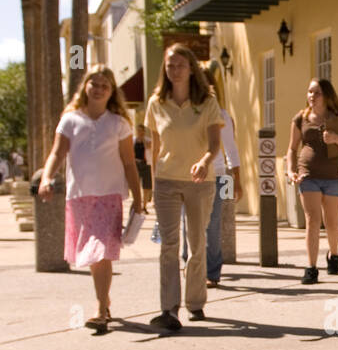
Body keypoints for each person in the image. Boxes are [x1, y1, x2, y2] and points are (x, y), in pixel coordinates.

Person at [38, 64, 144, 332]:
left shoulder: (119, 123)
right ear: (84, 87)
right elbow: (57, 153)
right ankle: (104, 299)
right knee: (94, 254)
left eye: (104, 86)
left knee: (100, 252)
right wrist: (46, 177)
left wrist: (138, 197)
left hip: (109, 196)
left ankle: (100, 309)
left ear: (112, 92)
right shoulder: (70, 119)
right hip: (80, 196)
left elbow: (130, 163)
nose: (98, 89)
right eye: (93, 84)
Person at [145, 43, 223, 331]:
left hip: (200, 182)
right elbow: (154, 150)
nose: (174, 70)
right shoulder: (156, 103)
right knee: (168, 246)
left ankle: (196, 302)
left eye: (180, 65)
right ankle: (168, 308)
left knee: (196, 244)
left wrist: (204, 162)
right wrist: (152, 186)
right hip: (166, 181)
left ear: (191, 69)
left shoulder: (207, 102)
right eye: (170, 65)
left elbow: (216, 144)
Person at [287, 77, 338, 283]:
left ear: (326, 96)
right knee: (312, 221)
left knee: (332, 224)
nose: (311, 96)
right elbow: (292, 149)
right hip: (307, 174)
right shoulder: (301, 118)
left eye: (316, 92)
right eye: (309, 92)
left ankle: (333, 255)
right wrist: (291, 170)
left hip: (333, 176)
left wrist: (336, 139)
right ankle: (311, 268)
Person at [179, 67, 240, 287]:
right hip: (187, 175)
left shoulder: (221, 115)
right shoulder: (183, 112)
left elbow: (231, 151)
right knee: (187, 223)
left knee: (213, 225)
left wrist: (237, 181)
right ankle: (189, 263)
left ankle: (212, 272)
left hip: (218, 176)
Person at [133, 125, 151, 206]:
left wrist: (143, 140)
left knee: (146, 186)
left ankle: (144, 205)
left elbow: (149, 147)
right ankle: (137, 203)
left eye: (141, 130)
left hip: (145, 164)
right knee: (136, 185)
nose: (140, 132)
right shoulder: (133, 140)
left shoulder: (148, 140)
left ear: (144, 131)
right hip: (136, 164)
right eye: (138, 130)